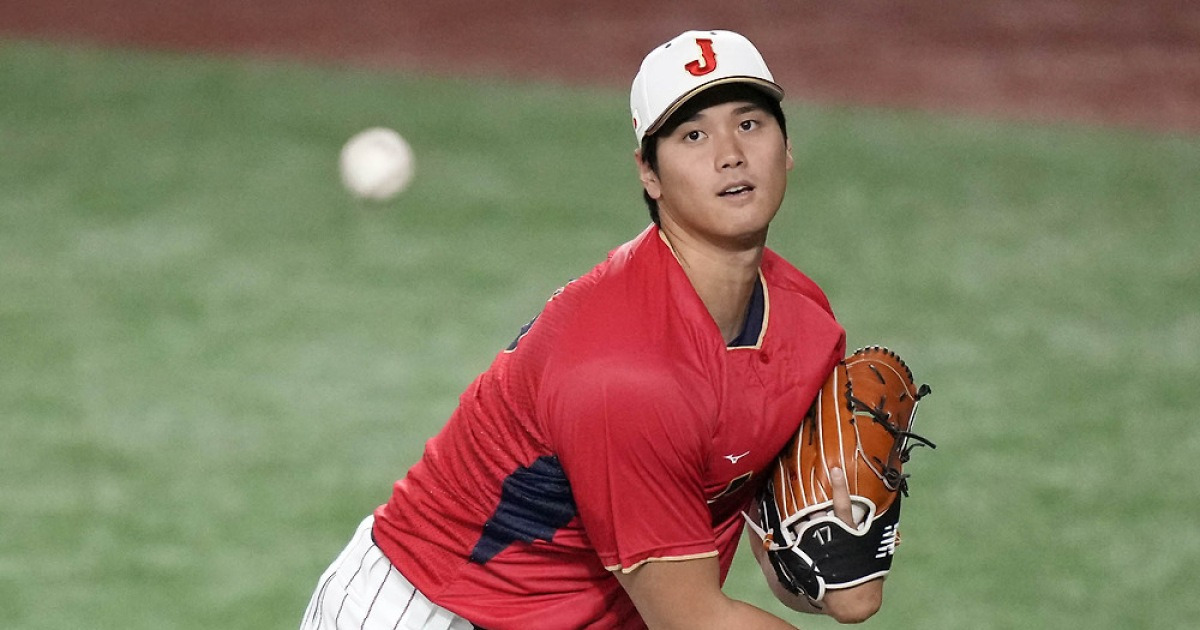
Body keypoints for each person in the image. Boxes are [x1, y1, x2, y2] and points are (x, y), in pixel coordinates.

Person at [300, 29, 884, 630]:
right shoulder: (624, 365)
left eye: (750, 123)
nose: (730, 154)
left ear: (787, 147)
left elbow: (780, 556)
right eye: (693, 135)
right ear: (649, 174)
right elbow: (691, 620)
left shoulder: (805, 325)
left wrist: (841, 573)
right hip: (435, 610)